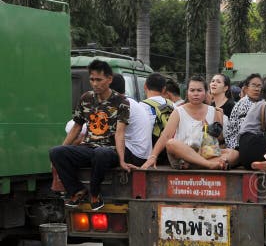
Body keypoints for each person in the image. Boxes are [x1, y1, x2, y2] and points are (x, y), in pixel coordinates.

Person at [50, 60, 131, 210]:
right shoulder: (86, 98)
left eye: (98, 80)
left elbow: (120, 133)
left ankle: (94, 193)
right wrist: (61, 151)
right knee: (56, 152)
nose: (94, 83)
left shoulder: (121, 102)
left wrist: (121, 160)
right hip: (89, 147)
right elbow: (76, 127)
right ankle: (77, 191)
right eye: (92, 79)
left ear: (109, 79)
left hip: (109, 150)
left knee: (101, 153)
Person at [141, 76, 238, 170]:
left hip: (206, 154)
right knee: (171, 143)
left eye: (199, 90)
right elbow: (166, 136)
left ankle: (199, 164)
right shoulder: (178, 111)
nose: (196, 94)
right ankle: (209, 165)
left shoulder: (214, 111)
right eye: (192, 90)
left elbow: (220, 140)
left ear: (205, 93)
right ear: (187, 93)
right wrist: (153, 156)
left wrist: (210, 127)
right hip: (182, 157)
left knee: (234, 153)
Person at [140, 73, 174, 164]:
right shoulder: (172, 105)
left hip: (151, 154)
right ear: (164, 89)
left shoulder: (141, 106)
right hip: (170, 153)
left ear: (145, 86)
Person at [224, 73, 262, 150]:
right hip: (237, 145)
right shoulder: (245, 103)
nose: (257, 89)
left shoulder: (257, 103)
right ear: (246, 89)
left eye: (259, 86)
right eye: (253, 85)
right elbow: (246, 131)